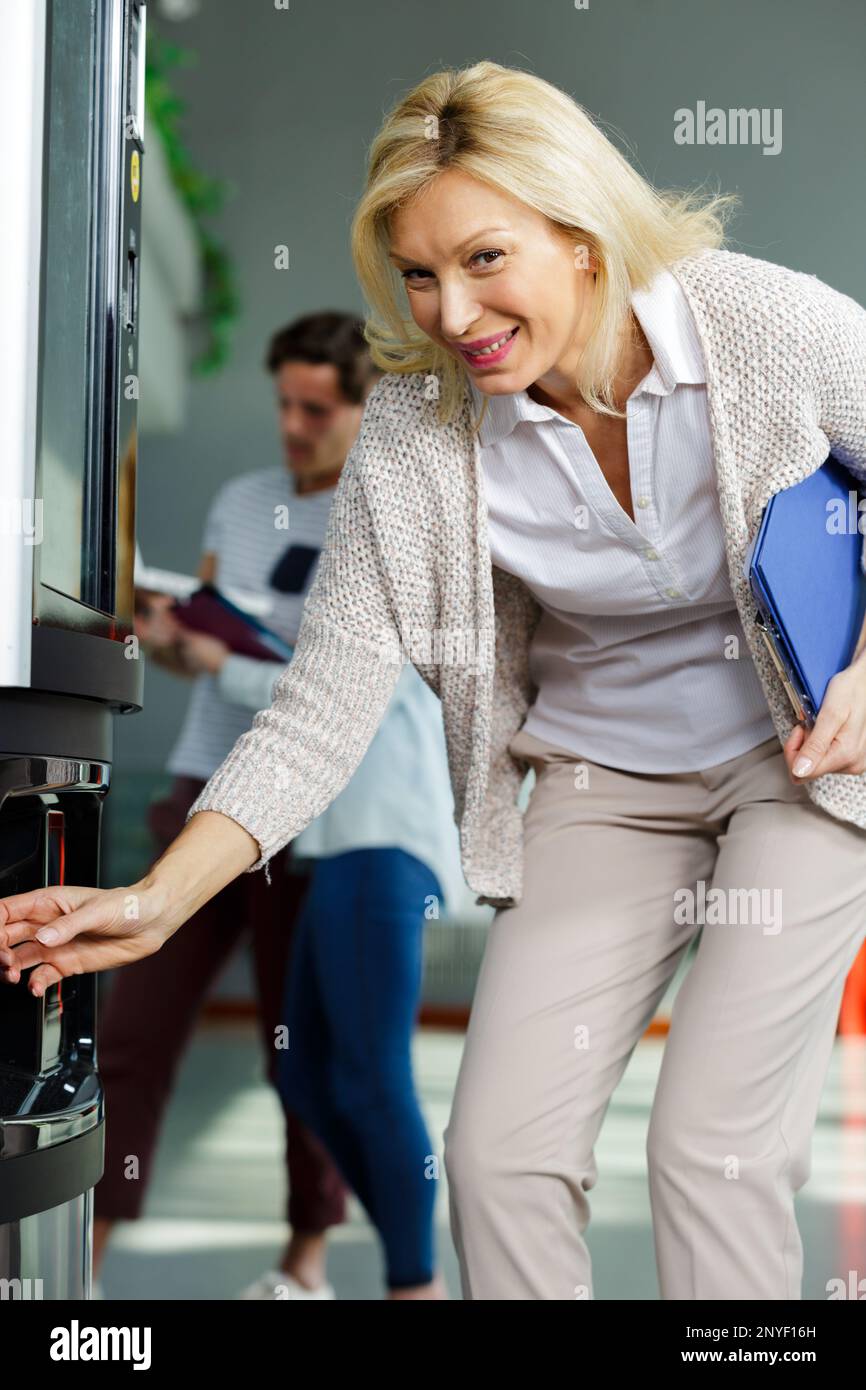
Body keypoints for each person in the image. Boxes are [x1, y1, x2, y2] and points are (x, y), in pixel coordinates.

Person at [3, 59, 866, 1301]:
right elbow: (320, 705)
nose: (452, 312)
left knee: (712, 1148)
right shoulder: (419, 428)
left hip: (801, 768)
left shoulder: (758, 325)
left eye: (483, 259)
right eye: (418, 272)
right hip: (597, 780)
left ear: (579, 235)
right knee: (495, 1158)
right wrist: (154, 898)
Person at [92, 311, 382, 1301]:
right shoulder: (240, 498)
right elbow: (199, 654)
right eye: (282, 402)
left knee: (294, 1052)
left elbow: (355, 683)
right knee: (130, 1036)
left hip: (301, 820)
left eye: (316, 407)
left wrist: (232, 657)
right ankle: (79, 1264)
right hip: (197, 796)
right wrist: (166, 633)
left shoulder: (374, 513)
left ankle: (304, 1261)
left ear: (363, 405)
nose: (292, 425)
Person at [171, 631, 465, 1299]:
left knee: (374, 1080)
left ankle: (417, 1285)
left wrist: (221, 662)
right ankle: (410, 1261)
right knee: (304, 1074)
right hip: (338, 849)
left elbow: (327, 694)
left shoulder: (395, 568)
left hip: (382, 843)